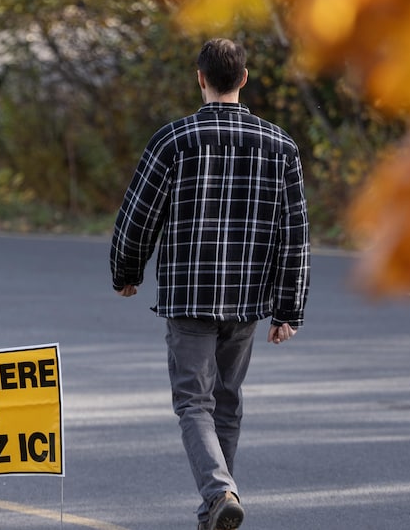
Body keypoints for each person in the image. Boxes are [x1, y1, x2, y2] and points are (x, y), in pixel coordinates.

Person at [110, 38, 310, 530]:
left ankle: (219, 492)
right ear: (243, 79)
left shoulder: (173, 141)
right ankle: (216, 506)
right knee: (226, 400)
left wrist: (127, 272)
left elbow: (138, 218)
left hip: (188, 295)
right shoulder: (280, 147)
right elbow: (295, 235)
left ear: (200, 78)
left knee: (194, 401)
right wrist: (288, 310)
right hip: (245, 301)